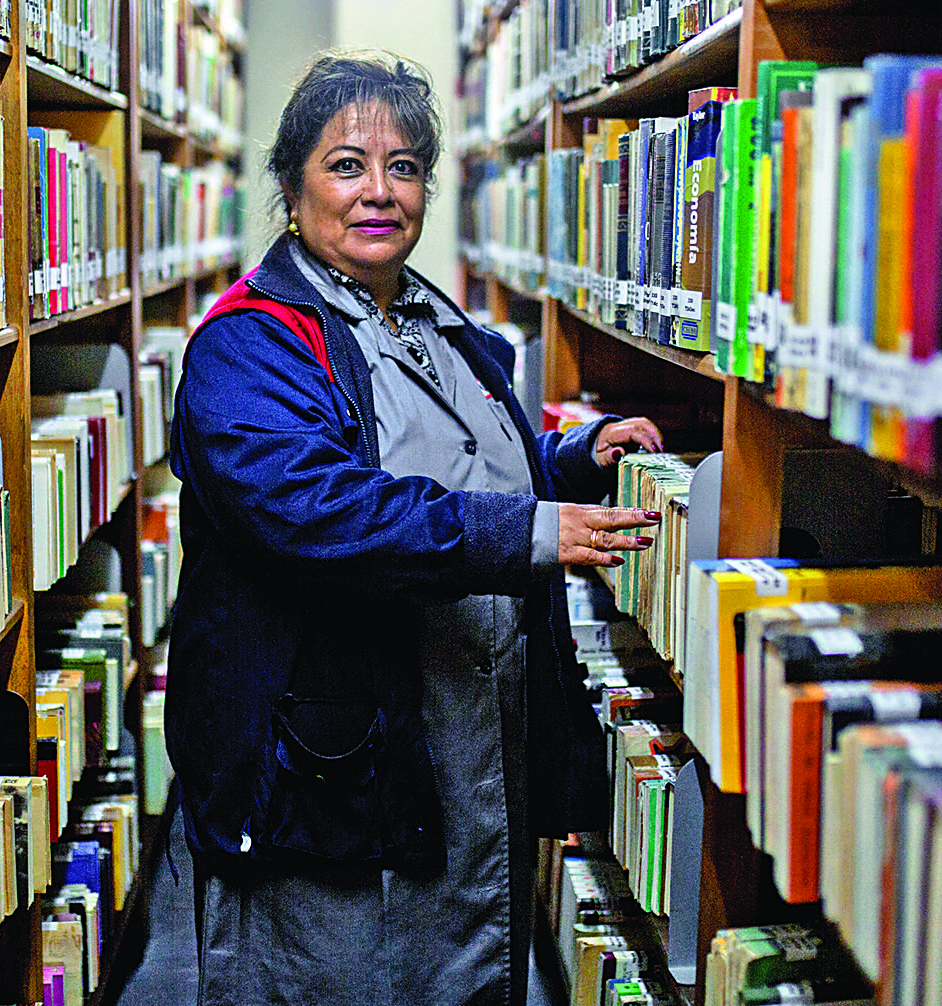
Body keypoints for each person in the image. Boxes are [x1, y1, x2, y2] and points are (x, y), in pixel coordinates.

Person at [165, 49, 664, 1006]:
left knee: (458, 973)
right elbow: (316, 509)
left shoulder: (435, 323)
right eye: (345, 165)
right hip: (326, 767)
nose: (378, 192)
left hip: (465, 740)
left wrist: (568, 460)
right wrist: (523, 533)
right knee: (335, 979)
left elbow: (451, 461)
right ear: (290, 186)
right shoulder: (248, 344)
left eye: (402, 167)